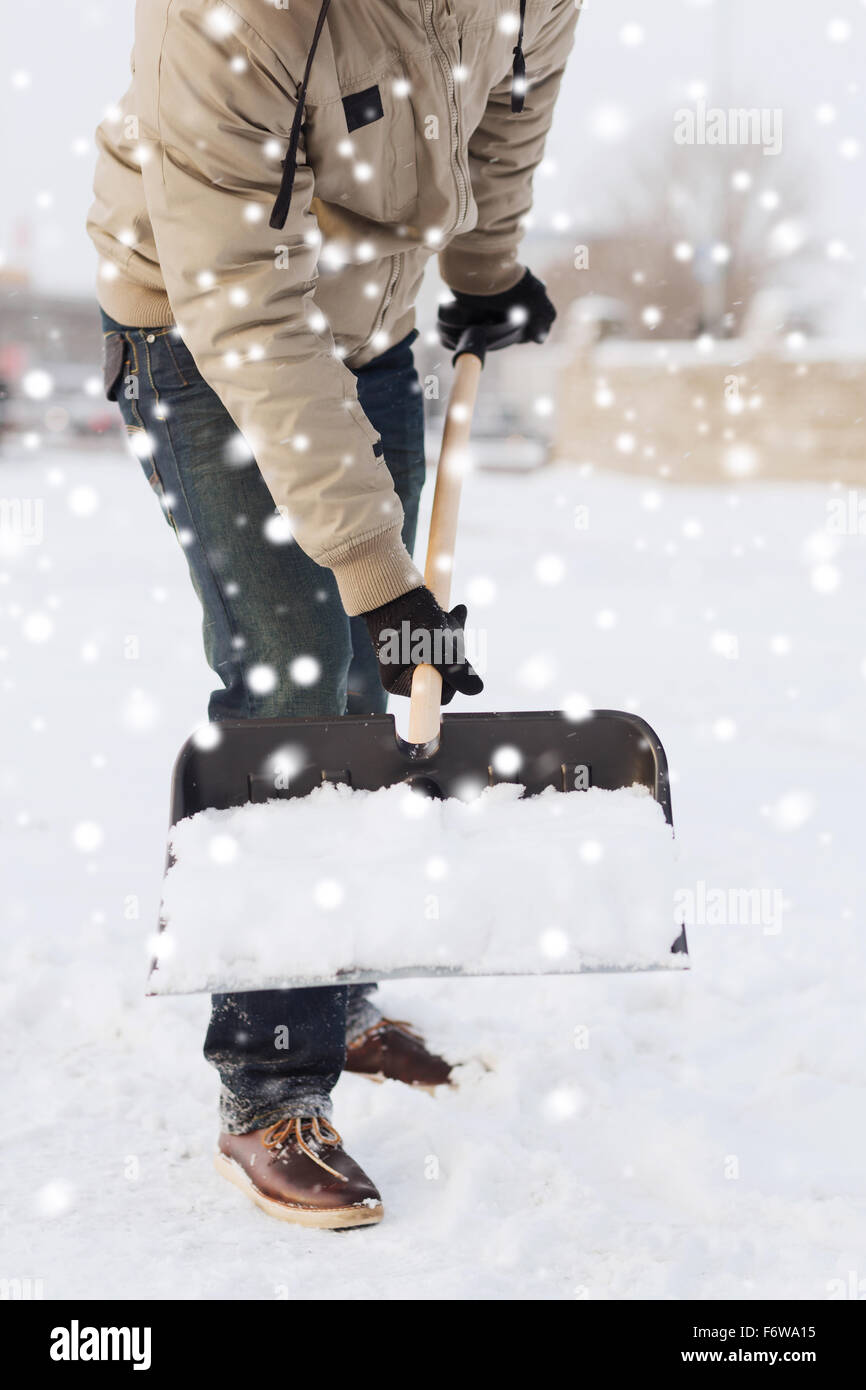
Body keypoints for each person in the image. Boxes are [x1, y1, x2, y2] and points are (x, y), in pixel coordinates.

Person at [88, 0, 578, 1229]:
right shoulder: (234, 15)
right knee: (294, 691)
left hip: (365, 325)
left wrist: (483, 269)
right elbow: (238, 299)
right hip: (205, 332)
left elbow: (503, 116)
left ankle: (332, 989)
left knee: (371, 692)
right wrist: (374, 565)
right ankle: (268, 1088)